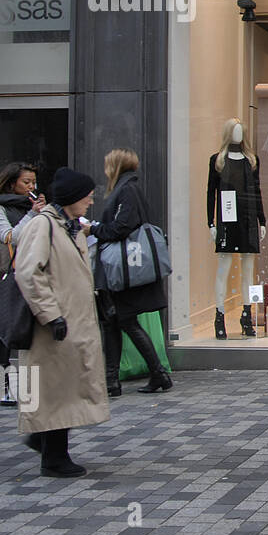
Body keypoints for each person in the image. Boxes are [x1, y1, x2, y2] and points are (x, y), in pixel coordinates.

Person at [15, 168, 111, 478]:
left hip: (72, 322)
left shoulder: (69, 228)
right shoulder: (43, 226)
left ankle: (44, 442)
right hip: (55, 325)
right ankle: (53, 457)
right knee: (56, 389)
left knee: (66, 386)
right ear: (71, 198)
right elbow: (29, 272)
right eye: (87, 196)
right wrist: (50, 314)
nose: (91, 201)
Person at [90, 149, 173, 396]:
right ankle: (113, 381)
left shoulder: (125, 190)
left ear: (114, 166)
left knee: (123, 320)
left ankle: (157, 374)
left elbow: (121, 227)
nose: (105, 171)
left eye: (107, 165)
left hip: (122, 270)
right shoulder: (131, 188)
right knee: (113, 322)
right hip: (125, 268)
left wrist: (95, 229)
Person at [0, 162, 47, 406]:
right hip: (6, 275)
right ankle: (1, 388)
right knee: (3, 333)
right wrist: (32, 215)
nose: (31, 187)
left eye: (33, 182)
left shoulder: (30, 206)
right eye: (26, 182)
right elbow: (10, 237)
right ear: (11, 182)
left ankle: (36, 385)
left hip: (29, 271)